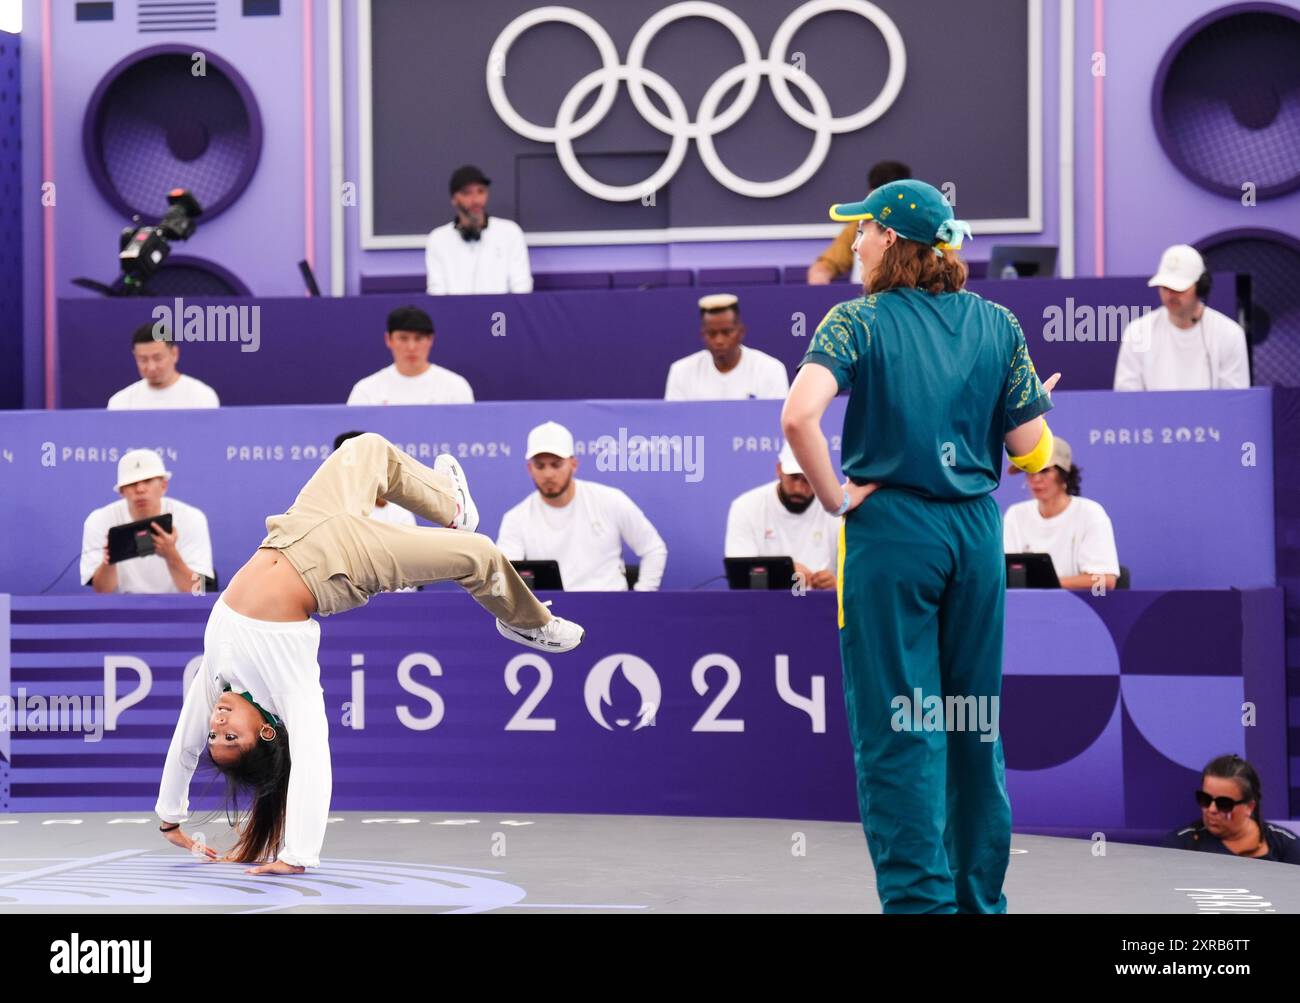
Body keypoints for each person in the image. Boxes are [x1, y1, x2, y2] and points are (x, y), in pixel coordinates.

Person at [781, 178, 1061, 914]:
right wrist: (1029, 414)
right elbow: (1033, 447)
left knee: (903, 727)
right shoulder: (998, 323)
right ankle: (979, 904)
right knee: (973, 723)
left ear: (894, 243)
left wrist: (838, 498)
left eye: (865, 230)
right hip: (974, 534)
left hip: (894, 534)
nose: (856, 244)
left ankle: (920, 909)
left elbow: (798, 418)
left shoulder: (856, 320)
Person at [155, 433, 583, 874]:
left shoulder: (219, 679)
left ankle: (452, 505)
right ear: (265, 733)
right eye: (230, 738)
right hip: (340, 564)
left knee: (367, 449)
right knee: (480, 555)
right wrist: (296, 855)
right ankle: (528, 623)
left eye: (215, 736)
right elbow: (312, 759)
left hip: (295, 528)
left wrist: (170, 817)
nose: (217, 725)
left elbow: (184, 742)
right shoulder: (287, 690)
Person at [496, 421, 667, 591]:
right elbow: (506, 576)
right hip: (549, 614)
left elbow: (653, 549)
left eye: (556, 464)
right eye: (540, 466)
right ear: (530, 469)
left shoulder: (610, 500)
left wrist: (640, 600)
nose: (548, 474)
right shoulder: (515, 518)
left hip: (612, 610)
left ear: (573, 464)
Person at [1113, 244, 1249, 391]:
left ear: (1201, 287)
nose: (1170, 295)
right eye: (1165, 287)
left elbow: (1235, 402)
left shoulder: (1229, 333)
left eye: (1178, 288)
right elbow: (1126, 398)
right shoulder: (1138, 332)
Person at [81, 449, 214, 595]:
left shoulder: (192, 518)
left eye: (147, 481)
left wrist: (171, 554)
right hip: (122, 610)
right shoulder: (99, 520)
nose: (140, 489)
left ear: (164, 486)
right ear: (121, 491)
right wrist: (110, 559)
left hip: (178, 609)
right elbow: (102, 591)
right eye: (132, 483)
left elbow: (198, 590)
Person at [1002, 436, 1119, 591]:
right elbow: (1005, 574)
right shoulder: (1015, 514)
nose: (1035, 479)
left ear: (1064, 474)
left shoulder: (1090, 513)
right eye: (1029, 471)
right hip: (1025, 608)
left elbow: (1105, 581)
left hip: (1078, 609)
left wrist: (1044, 584)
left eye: (1044, 470)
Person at [725, 443, 839, 589]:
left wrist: (837, 585)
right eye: (793, 477)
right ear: (779, 470)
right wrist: (782, 575)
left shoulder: (836, 509)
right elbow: (740, 574)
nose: (798, 488)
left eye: (807, 479)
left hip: (823, 607)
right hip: (764, 605)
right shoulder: (745, 507)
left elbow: (856, 575)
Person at [1165, 755, 1300, 864]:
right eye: (1205, 799)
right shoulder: (1182, 845)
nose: (1211, 809)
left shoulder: (1286, 846)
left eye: (1223, 803)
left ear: (1249, 807)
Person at [425, 164, 533, 295]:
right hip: (455, 314)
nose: (476, 200)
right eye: (467, 193)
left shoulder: (510, 232)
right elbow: (437, 292)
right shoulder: (438, 239)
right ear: (454, 199)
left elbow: (521, 286)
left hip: (501, 314)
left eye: (481, 191)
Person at [664, 294, 789, 401]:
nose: (719, 341)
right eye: (711, 334)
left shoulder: (770, 369)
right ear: (703, 335)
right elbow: (675, 423)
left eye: (727, 332)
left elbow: (774, 422)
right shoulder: (681, 371)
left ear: (741, 332)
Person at [807, 160, 912, 286]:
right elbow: (825, 265)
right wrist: (819, 275)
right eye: (862, 233)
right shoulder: (855, 228)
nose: (855, 247)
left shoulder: (924, 232)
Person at [346, 306, 474, 405]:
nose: (411, 347)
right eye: (403, 338)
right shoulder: (366, 391)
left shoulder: (455, 387)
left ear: (430, 340)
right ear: (388, 340)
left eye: (419, 338)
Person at [107, 324, 220, 410]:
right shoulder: (121, 402)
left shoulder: (201, 397)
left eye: (158, 358)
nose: (151, 367)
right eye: (143, 360)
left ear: (174, 354)